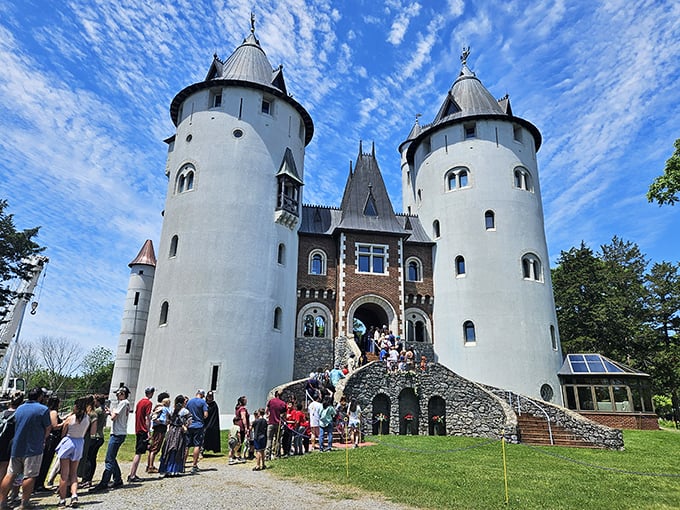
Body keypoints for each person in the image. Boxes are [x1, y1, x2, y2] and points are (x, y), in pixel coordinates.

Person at [0, 387, 51, 510]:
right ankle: (24, 503)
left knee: (10, 473)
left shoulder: (20, 409)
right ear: (40, 397)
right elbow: (48, 428)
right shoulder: (43, 409)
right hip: (33, 448)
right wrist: (43, 439)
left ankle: (2, 502)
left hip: (17, 446)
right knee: (30, 475)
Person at [90, 386, 130, 493]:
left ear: (123, 394)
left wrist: (110, 412)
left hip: (117, 433)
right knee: (112, 457)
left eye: (118, 394)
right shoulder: (125, 403)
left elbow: (113, 417)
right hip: (119, 432)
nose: (117, 395)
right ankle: (117, 479)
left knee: (109, 459)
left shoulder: (123, 403)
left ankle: (104, 482)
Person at [55, 397, 90, 508]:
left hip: (69, 441)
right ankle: (74, 495)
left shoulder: (70, 419)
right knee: (73, 473)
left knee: (64, 475)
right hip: (79, 442)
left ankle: (62, 499)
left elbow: (63, 432)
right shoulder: (87, 419)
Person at [158, 395, 192, 477]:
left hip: (171, 431)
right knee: (177, 449)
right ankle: (174, 470)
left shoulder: (171, 410)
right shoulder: (185, 411)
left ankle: (165, 469)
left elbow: (167, 420)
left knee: (168, 449)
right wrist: (185, 426)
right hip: (179, 432)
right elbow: (189, 421)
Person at [35, 394, 62, 492]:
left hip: (49, 439)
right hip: (51, 439)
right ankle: (39, 484)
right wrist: (64, 423)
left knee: (45, 462)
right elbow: (54, 426)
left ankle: (39, 483)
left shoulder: (48, 411)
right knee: (46, 461)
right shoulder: (54, 412)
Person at [128, 386, 155, 482]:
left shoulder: (139, 402)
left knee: (141, 450)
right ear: (151, 393)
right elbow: (147, 418)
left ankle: (132, 473)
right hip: (143, 429)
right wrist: (148, 431)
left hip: (138, 428)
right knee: (138, 453)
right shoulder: (148, 403)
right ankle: (132, 475)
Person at [81, 395, 106, 488]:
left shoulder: (97, 411)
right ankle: (88, 479)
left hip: (95, 437)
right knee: (92, 458)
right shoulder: (102, 410)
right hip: (100, 436)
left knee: (88, 458)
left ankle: (87, 479)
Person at [0, 392, 24, 483]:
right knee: (5, 467)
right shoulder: (18, 415)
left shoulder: (3, 413)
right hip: (10, 443)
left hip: (1, 439)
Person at [185, 389, 208, 473]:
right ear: (202, 395)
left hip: (189, 425)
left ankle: (183, 464)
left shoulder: (189, 402)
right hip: (198, 425)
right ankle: (194, 465)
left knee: (186, 445)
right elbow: (205, 415)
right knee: (197, 445)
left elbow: (186, 413)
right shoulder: (203, 402)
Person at [147, 393, 170, 474]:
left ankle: (150, 465)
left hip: (158, 428)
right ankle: (150, 466)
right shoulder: (161, 408)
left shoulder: (159, 407)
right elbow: (154, 418)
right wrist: (163, 422)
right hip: (160, 428)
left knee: (154, 446)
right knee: (155, 447)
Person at [265, 391, 286, 460]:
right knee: (278, 440)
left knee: (269, 439)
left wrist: (268, 416)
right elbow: (284, 415)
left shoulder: (271, 401)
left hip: (271, 423)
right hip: (278, 423)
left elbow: (266, 410)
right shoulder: (283, 403)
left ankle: (267, 456)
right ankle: (277, 455)